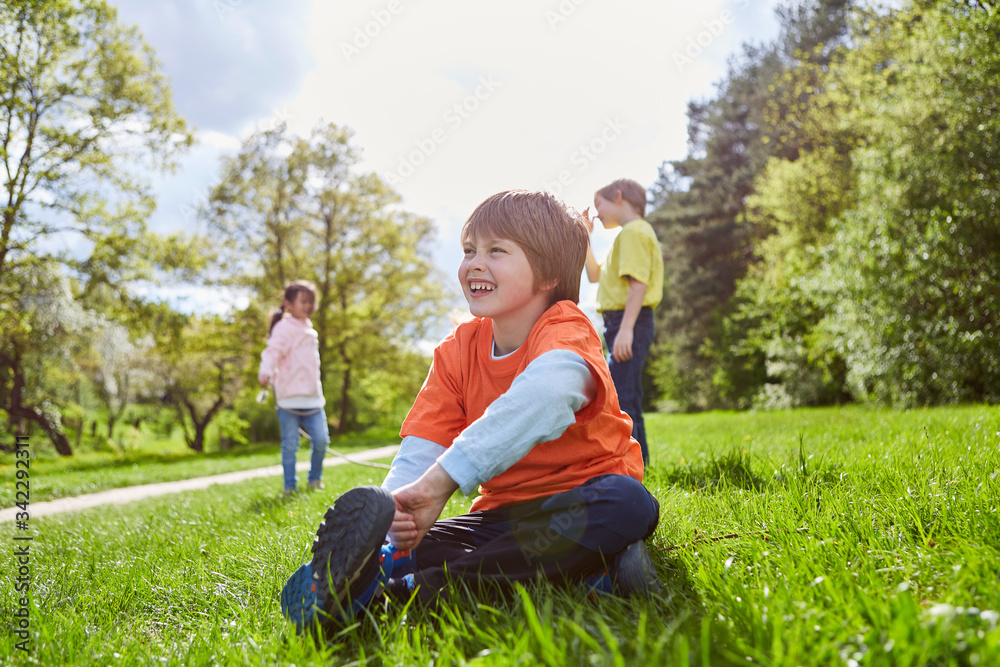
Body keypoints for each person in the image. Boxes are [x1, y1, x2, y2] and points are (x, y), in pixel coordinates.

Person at [280, 190, 661, 633]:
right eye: (469, 250)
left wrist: (442, 482)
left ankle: (412, 594)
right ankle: (375, 574)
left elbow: (548, 395)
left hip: (585, 498)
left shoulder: (567, 329)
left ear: (548, 275)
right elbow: (423, 445)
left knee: (628, 504)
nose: (474, 263)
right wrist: (394, 522)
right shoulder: (457, 350)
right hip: (500, 521)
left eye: (496, 251)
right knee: (423, 546)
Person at [583, 178, 663, 466]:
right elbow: (594, 275)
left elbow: (638, 284)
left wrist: (626, 330)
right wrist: (585, 238)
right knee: (626, 394)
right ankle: (640, 462)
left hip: (630, 322)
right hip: (622, 323)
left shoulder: (633, 233)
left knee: (621, 397)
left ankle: (632, 465)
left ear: (617, 196)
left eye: (598, 205)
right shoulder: (628, 235)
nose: (597, 213)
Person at [258, 280, 330, 496]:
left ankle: (314, 479)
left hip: (312, 399)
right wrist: (265, 371)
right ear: (288, 304)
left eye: (312, 302)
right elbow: (272, 351)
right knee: (290, 445)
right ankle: (289, 486)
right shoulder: (284, 328)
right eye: (303, 301)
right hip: (288, 399)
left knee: (321, 440)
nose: (309, 306)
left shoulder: (310, 329)